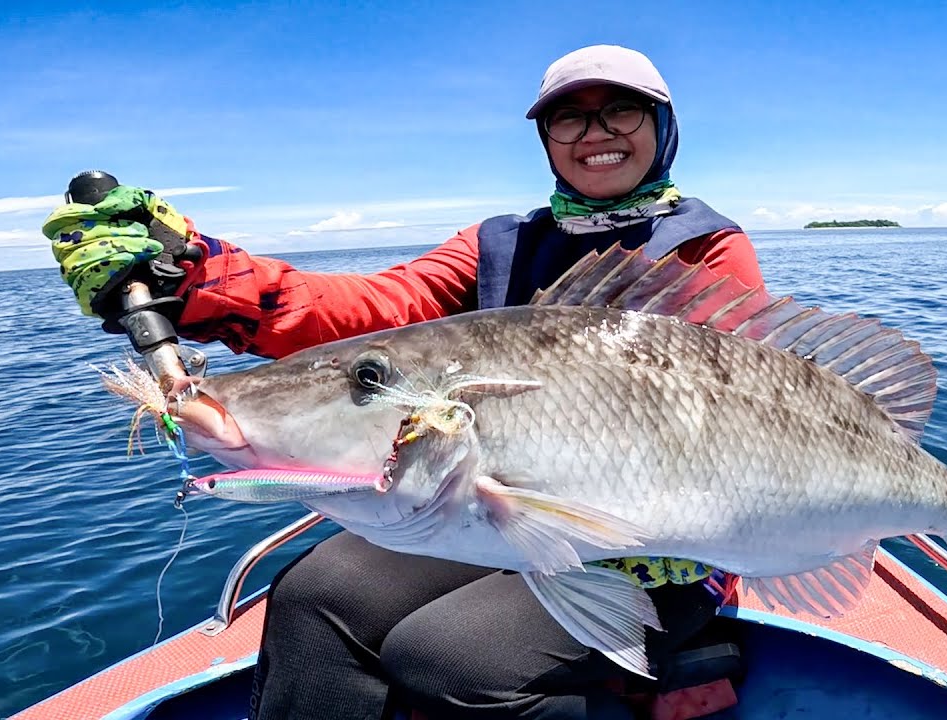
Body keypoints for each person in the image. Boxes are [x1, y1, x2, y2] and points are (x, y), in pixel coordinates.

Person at [45, 44, 765, 720]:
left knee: (452, 657)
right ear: (545, 137)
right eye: (569, 115)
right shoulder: (496, 245)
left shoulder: (707, 249)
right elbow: (370, 310)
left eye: (623, 111)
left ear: (663, 127)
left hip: (664, 543)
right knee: (314, 593)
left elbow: (752, 406)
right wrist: (200, 275)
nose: (595, 132)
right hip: (492, 503)